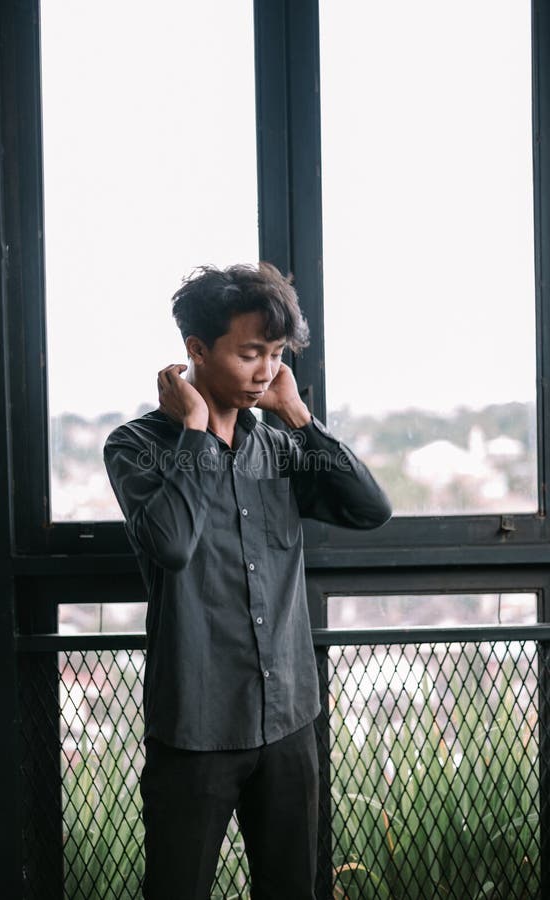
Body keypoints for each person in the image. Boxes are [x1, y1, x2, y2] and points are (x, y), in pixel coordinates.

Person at [103, 262, 391, 900]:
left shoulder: (283, 447)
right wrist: (198, 432)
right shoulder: (136, 447)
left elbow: (371, 509)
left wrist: (299, 416)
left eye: (276, 355)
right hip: (196, 727)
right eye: (250, 353)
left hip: (289, 719)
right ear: (196, 350)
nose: (264, 370)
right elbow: (172, 545)